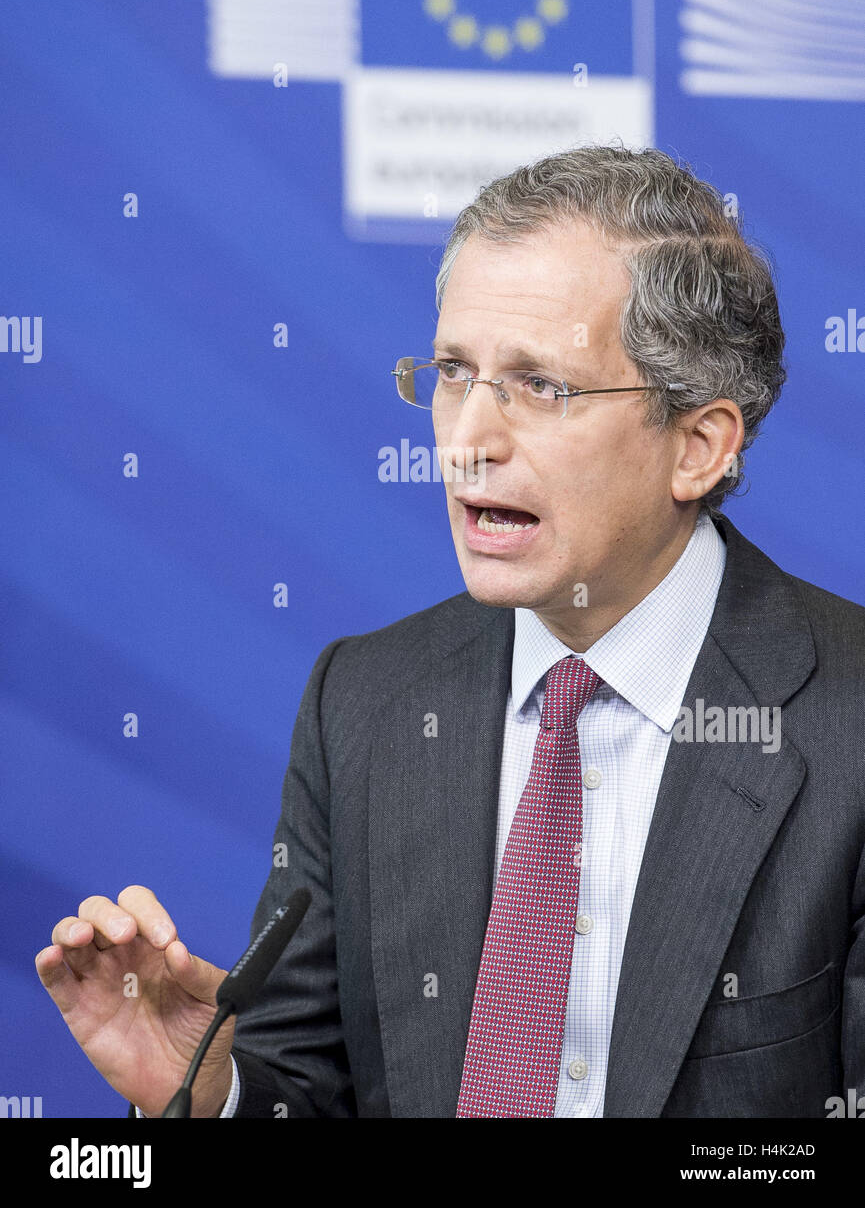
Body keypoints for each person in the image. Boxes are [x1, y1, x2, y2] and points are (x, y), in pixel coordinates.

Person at [36, 146, 865, 1118]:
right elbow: (312, 1091)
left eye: (540, 386)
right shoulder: (366, 700)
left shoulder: (843, 722)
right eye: (453, 373)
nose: (470, 436)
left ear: (697, 445)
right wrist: (218, 1085)